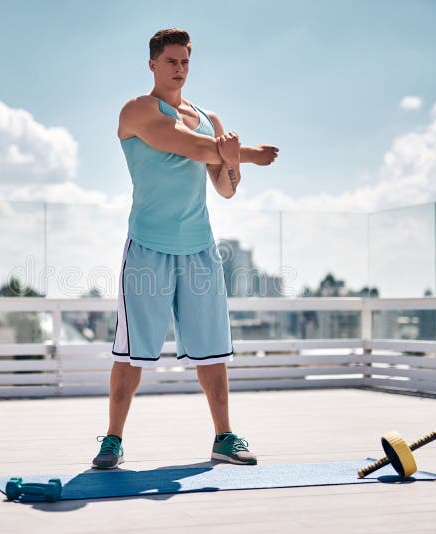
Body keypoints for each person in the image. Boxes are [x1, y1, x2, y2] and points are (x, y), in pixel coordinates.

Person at [93, 28, 279, 469]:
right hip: (148, 247)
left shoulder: (209, 119)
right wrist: (245, 153)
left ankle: (224, 437)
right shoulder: (137, 111)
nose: (179, 69)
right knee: (132, 352)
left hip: (198, 249)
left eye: (185, 62)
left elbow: (225, 188)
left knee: (212, 350)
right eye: (171, 61)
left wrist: (231, 160)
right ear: (153, 64)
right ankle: (112, 440)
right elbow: (181, 142)